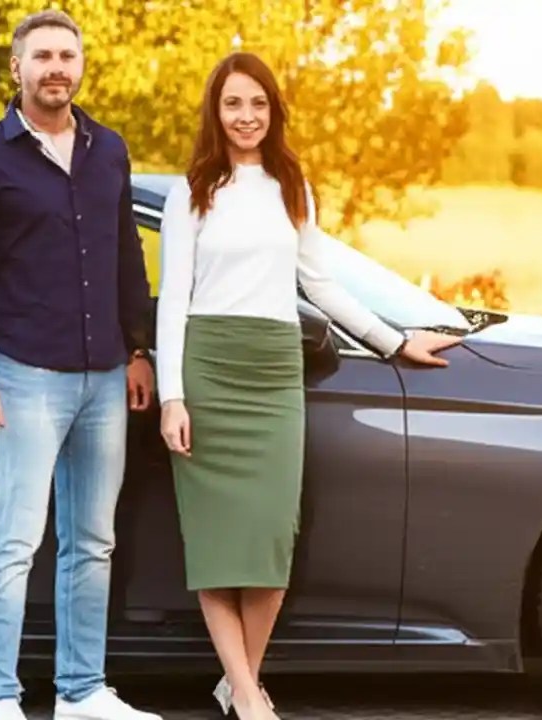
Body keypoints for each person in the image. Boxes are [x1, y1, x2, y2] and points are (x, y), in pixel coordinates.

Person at [154, 51, 462, 720]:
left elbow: (321, 284)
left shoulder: (292, 185)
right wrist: (173, 396)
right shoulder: (192, 190)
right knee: (214, 549)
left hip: (272, 375)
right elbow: (172, 298)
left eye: (258, 104)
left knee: (269, 550)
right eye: (234, 104)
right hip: (209, 370)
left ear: (273, 111)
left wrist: (396, 340)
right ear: (216, 110)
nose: (246, 116)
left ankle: (238, 681)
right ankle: (247, 694)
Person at [0, 9, 161, 720]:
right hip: (22, 378)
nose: (56, 67)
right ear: (17, 69)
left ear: (80, 65)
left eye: (67, 55)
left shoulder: (108, 151)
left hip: (102, 381)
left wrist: (139, 349)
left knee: (92, 542)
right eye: (43, 57)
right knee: (15, 542)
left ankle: (82, 692)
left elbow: (127, 259)